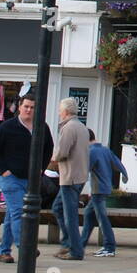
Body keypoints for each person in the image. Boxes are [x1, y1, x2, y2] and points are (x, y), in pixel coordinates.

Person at [0, 93, 54, 264]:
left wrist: (41, 169)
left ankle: (4, 252)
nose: (29, 110)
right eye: (26, 106)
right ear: (20, 107)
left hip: (31, 178)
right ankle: (25, 247)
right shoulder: (7, 127)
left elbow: (48, 148)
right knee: (18, 212)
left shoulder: (41, 127)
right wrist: (3, 171)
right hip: (11, 178)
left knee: (11, 216)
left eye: (32, 107)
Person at [50, 98, 90, 261]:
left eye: (60, 110)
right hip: (79, 175)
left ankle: (75, 250)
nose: (59, 113)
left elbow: (63, 152)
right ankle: (67, 243)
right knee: (57, 208)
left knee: (69, 215)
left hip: (70, 176)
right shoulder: (82, 127)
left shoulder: (68, 128)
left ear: (65, 112)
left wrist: (53, 157)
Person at [80, 130, 128, 258]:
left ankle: (109, 247)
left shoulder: (92, 151)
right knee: (89, 215)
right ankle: (80, 244)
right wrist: (124, 174)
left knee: (102, 218)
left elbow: (85, 170)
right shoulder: (105, 150)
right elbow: (117, 163)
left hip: (98, 189)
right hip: (105, 187)